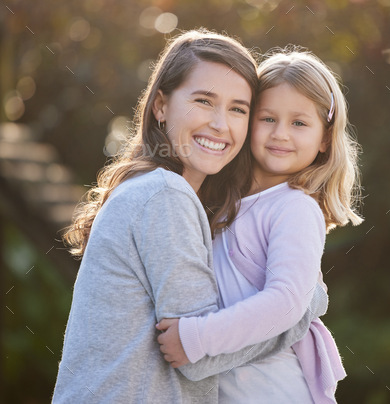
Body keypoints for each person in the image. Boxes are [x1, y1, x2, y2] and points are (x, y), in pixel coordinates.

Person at [52, 30, 327, 403]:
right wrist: (306, 302)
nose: (219, 123)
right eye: (203, 100)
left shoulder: (157, 192)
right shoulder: (165, 196)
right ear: (160, 106)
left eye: (237, 109)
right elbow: (196, 356)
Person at [156, 50, 363, 403]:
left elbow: (285, 303)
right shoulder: (224, 202)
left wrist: (196, 338)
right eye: (268, 118)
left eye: (299, 123)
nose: (281, 134)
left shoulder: (295, 208)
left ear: (325, 139)